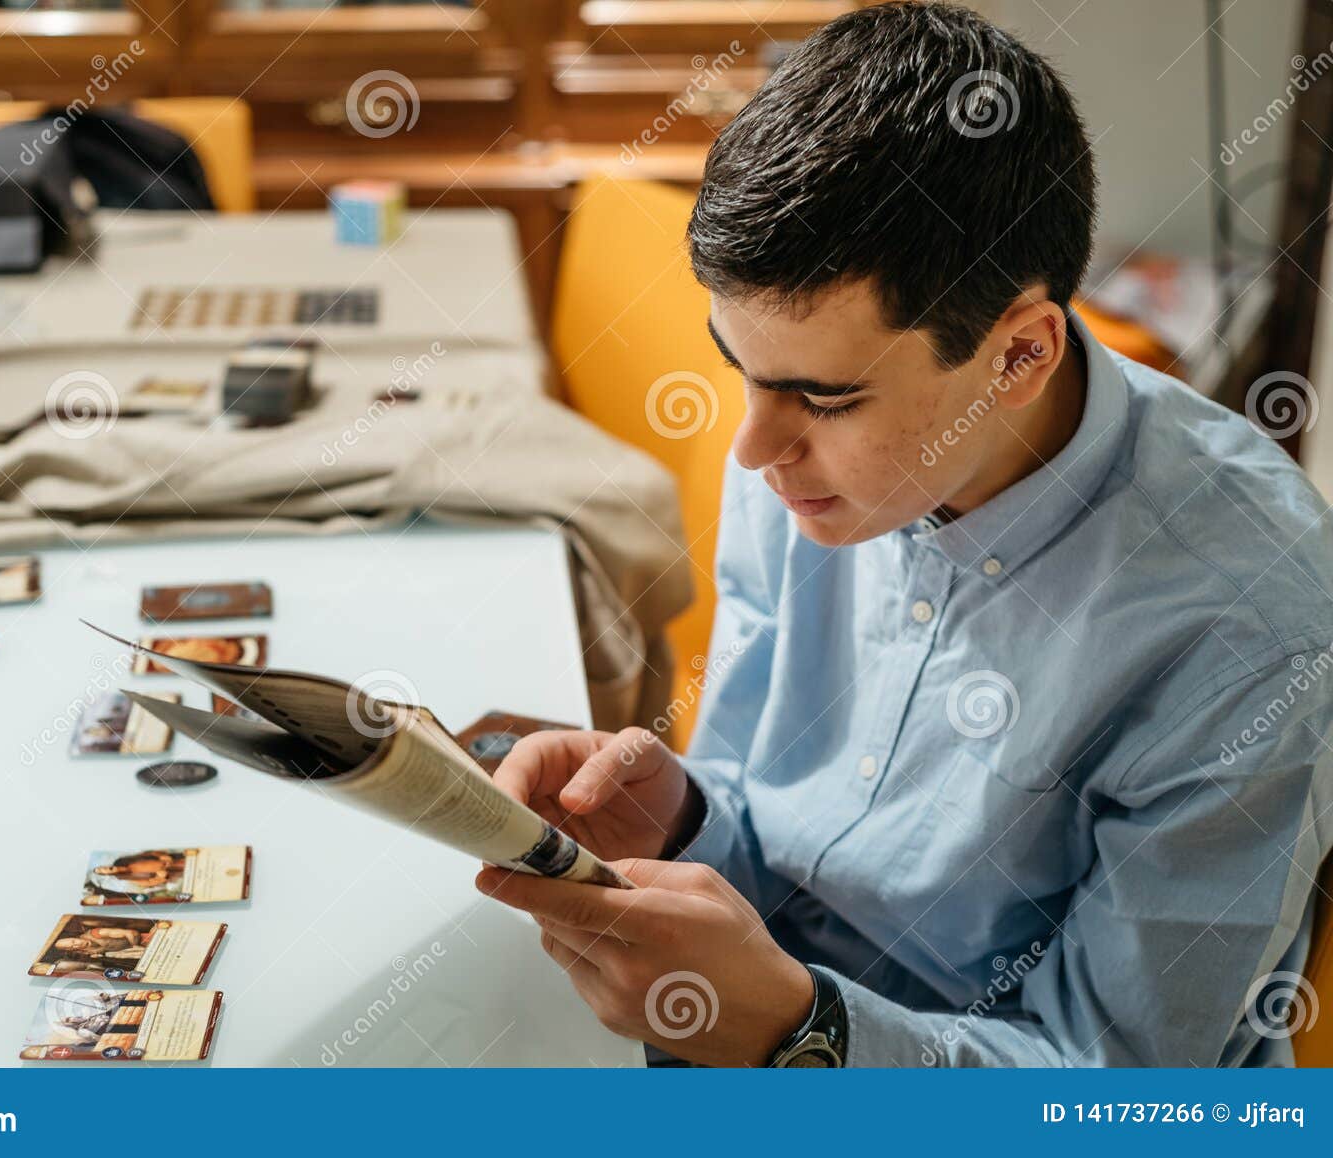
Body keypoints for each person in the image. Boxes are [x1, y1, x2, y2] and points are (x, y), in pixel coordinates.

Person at [477, 1, 1333, 1067]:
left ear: (1018, 355)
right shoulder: (803, 460)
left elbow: (1124, 1095)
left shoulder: (1250, 622)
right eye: (739, 370)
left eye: (825, 398)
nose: (749, 450)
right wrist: (682, 818)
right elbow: (770, 830)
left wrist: (803, 1032)